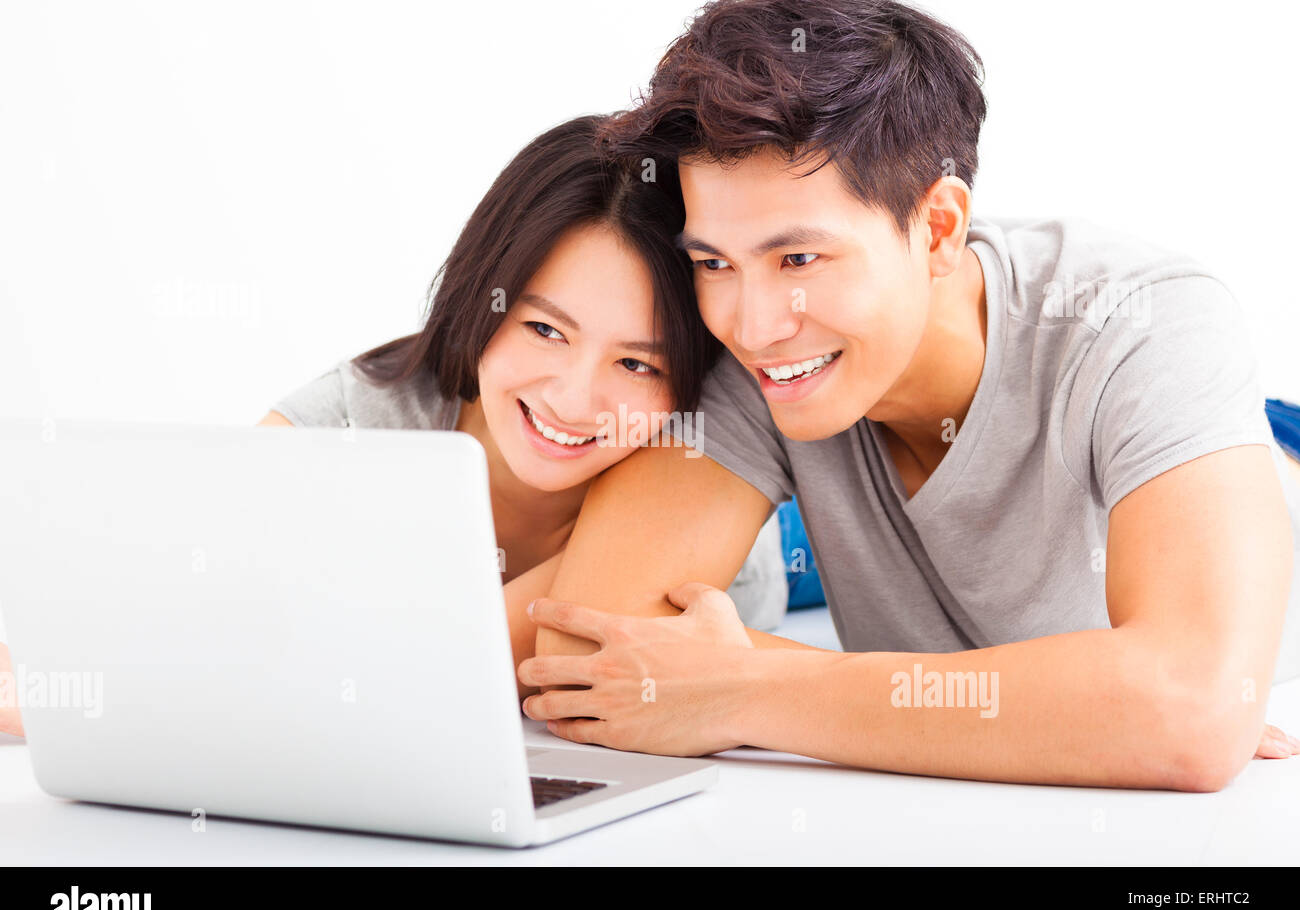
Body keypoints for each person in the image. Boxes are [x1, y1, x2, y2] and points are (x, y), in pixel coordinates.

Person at [518, 0, 1300, 789]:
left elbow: (1193, 710)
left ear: (937, 227)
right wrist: (1087, 709)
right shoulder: (767, 355)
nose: (750, 325)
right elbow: (587, 653)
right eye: (715, 262)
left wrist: (743, 689)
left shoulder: (1146, 320)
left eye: (797, 260)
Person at [0, 115, 787, 737]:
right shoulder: (353, 421)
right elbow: (181, 589)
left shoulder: (700, 496)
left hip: (790, 553)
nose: (574, 401)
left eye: (639, 366)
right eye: (545, 330)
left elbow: (451, 666)